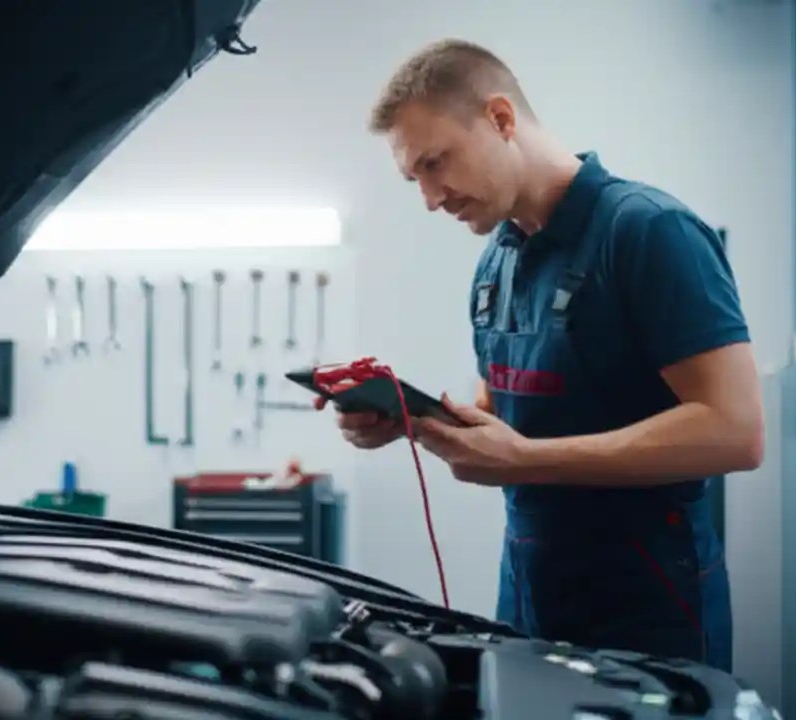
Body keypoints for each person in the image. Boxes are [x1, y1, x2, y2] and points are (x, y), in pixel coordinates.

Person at [318, 39, 764, 672]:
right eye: (414, 178)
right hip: (530, 596)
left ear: (501, 118)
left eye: (436, 163)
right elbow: (505, 416)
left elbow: (736, 431)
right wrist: (410, 421)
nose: (431, 198)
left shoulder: (648, 231)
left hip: (649, 606)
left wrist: (526, 460)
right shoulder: (496, 262)